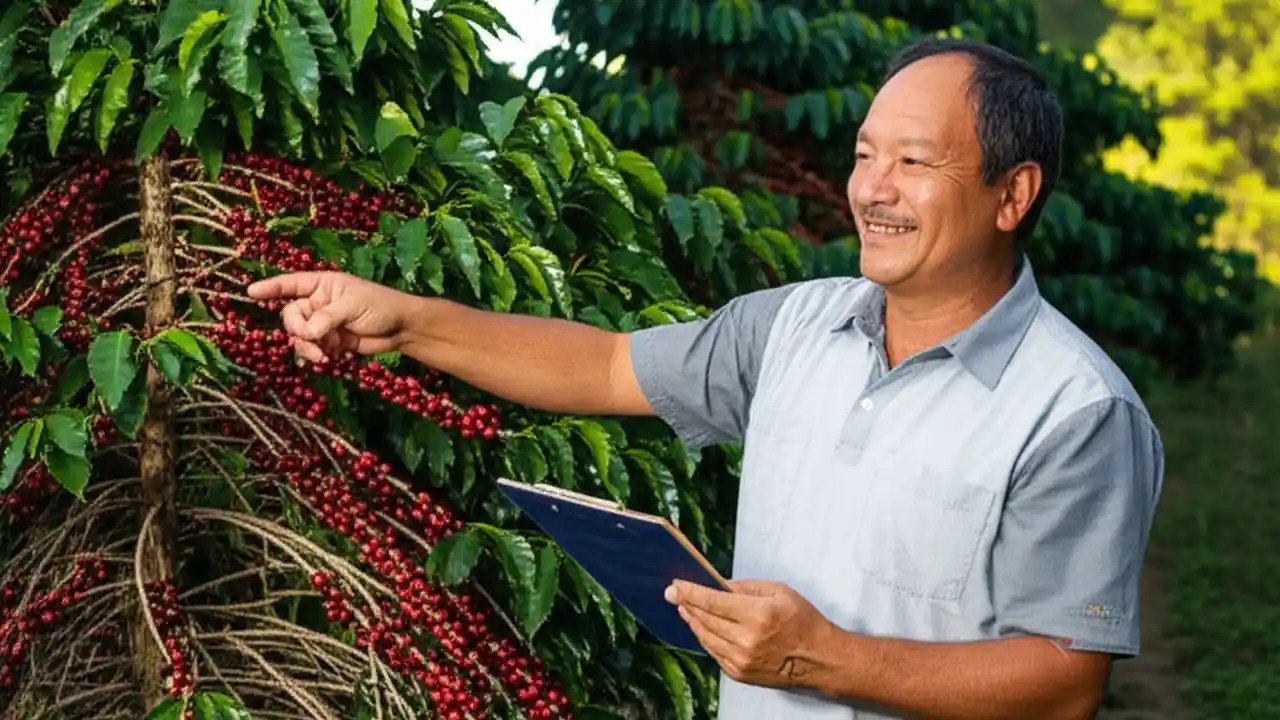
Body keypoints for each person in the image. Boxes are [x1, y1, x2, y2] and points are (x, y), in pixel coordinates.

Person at [248, 38, 1164, 720]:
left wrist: (823, 659)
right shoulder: (797, 325)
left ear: (1014, 194)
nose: (872, 189)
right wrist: (402, 319)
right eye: (863, 154)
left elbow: (1063, 681)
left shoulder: (1074, 410)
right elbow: (604, 363)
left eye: (914, 162)